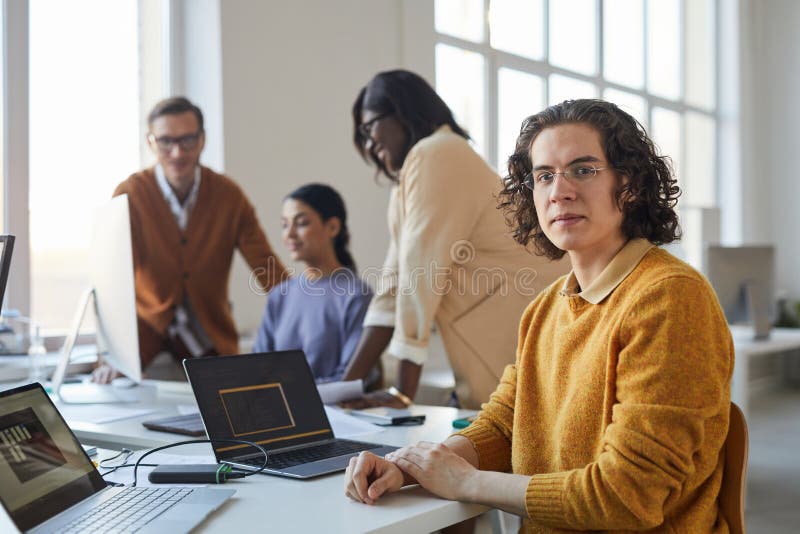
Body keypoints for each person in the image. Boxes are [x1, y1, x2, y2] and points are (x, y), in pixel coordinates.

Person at [344, 99, 734, 533]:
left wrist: (468, 482)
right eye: (544, 175)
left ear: (630, 185)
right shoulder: (547, 307)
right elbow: (504, 425)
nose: (559, 190)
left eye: (583, 170)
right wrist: (416, 465)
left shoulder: (670, 298)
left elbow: (628, 497)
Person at [342, 70, 567, 410]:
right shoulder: (411, 179)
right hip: (501, 333)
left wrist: (402, 392)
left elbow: (421, 277)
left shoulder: (439, 153)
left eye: (369, 126)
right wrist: (345, 390)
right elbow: (392, 286)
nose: (370, 142)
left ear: (400, 113)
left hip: (524, 320)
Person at [96, 96, 286, 381]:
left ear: (202, 140)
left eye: (187, 140)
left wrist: (306, 313)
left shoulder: (228, 196)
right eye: (165, 142)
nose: (177, 153)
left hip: (211, 336)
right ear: (150, 142)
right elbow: (111, 283)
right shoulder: (130, 195)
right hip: (144, 338)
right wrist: (110, 355)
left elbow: (268, 270)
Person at [253, 183, 374, 384]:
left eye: (301, 223)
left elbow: (349, 378)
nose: (290, 234)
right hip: (277, 409)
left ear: (333, 227)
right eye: (284, 224)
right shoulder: (280, 295)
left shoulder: (356, 295)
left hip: (332, 412)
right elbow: (257, 368)